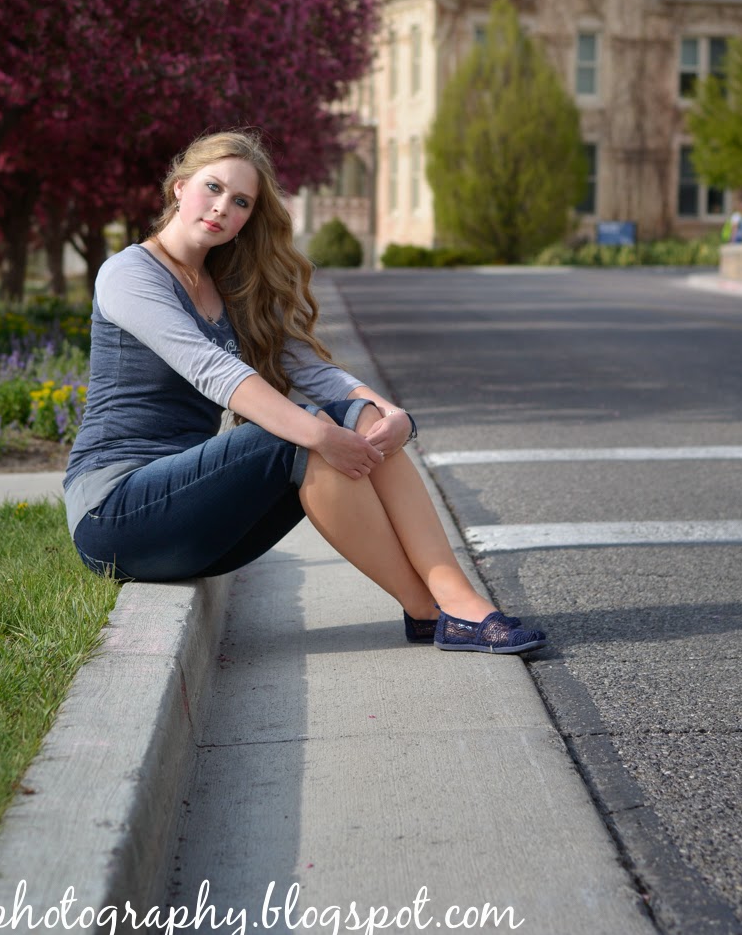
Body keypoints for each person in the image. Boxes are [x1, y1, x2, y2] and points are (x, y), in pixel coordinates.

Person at [64, 129, 545, 655]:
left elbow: (311, 370)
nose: (223, 207)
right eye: (213, 187)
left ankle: (454, 598)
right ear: (179, 188)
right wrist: (319, 432)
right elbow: (212, 372)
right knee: (300, 435)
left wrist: (386, 412)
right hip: (115, 517)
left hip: (191, 518)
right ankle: (428, 609)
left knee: (353, 415)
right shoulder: (129, 272)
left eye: (241, 201)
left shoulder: (227, 286)